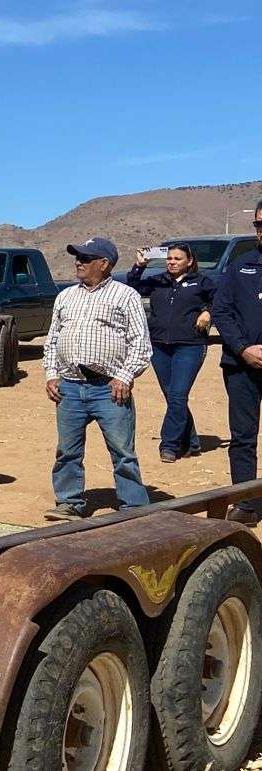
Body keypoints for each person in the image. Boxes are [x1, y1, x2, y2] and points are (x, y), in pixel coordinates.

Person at [42, 236, 152, 520]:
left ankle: (134, 508)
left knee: (122, 452)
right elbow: (52, 340)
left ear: (104, 264)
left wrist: (124, 377)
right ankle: (69, 503)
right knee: (67, 451)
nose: (79, 262)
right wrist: (51, 374)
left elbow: (141, 344)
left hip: (108, 388)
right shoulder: (65, 296)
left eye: (86, 258)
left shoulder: (125, 296)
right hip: (69, 387)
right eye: (77, 256)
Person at [126, 243, 216, 463]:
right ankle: (192, 442)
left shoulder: (202, 282)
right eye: (169, 258)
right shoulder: (158, 281)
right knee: (173, 397)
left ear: (189, 261)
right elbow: (133, 287)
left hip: (190, 345)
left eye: (177, 258)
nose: (172, 262)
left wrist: (207, 312)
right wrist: (139, 266)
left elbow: (222, 302)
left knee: (177, 395)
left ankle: (169, 445)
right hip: (159, 346)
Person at [210, 200, 262, 526]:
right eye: (258, 224)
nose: (261, 230)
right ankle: (246, 502)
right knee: (243, 436)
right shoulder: (241, 265)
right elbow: (221, 311)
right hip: (241, 366)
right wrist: (243, 349)